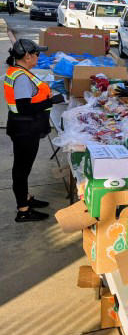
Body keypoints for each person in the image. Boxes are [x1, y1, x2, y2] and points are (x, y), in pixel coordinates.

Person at [4, 39, 65, 221]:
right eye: (37, 53)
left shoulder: (19, 71)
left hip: (23, 126)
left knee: (23, 168)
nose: (39, 56)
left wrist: (46, 96)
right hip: (25, 128)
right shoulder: (21, 77)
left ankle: (26, 198)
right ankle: (23, 210)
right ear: (27, 56)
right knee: (21, 170)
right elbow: (24, 107)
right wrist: (50, 102)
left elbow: (31, 97)